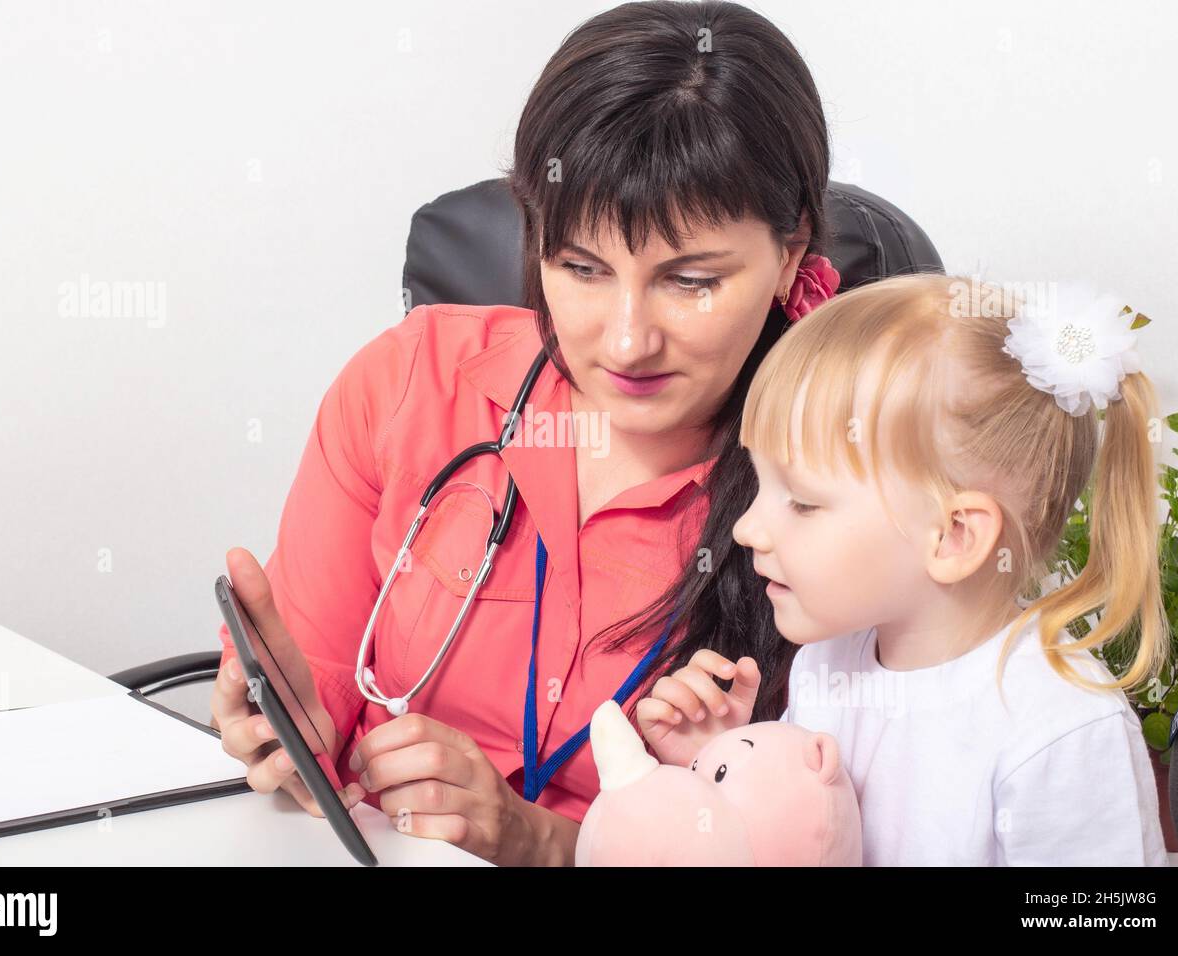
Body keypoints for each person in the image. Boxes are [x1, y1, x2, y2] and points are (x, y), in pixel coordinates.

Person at [209, 0, 841, 866]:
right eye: (581, 268)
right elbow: (315, 704)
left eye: (689, 281)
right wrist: (291, 732)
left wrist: (539, 843)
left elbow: (814, 844)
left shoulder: (846, 493)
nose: (624, 340)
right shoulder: (410, 386)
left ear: (792, 246)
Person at [639, 273, 1169, 865]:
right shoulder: (827, 664)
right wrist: (729, 760)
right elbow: (809, 839)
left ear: (955, 536)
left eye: (804, 501)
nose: (745, 528)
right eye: (762, 483)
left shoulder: (1058, 729)